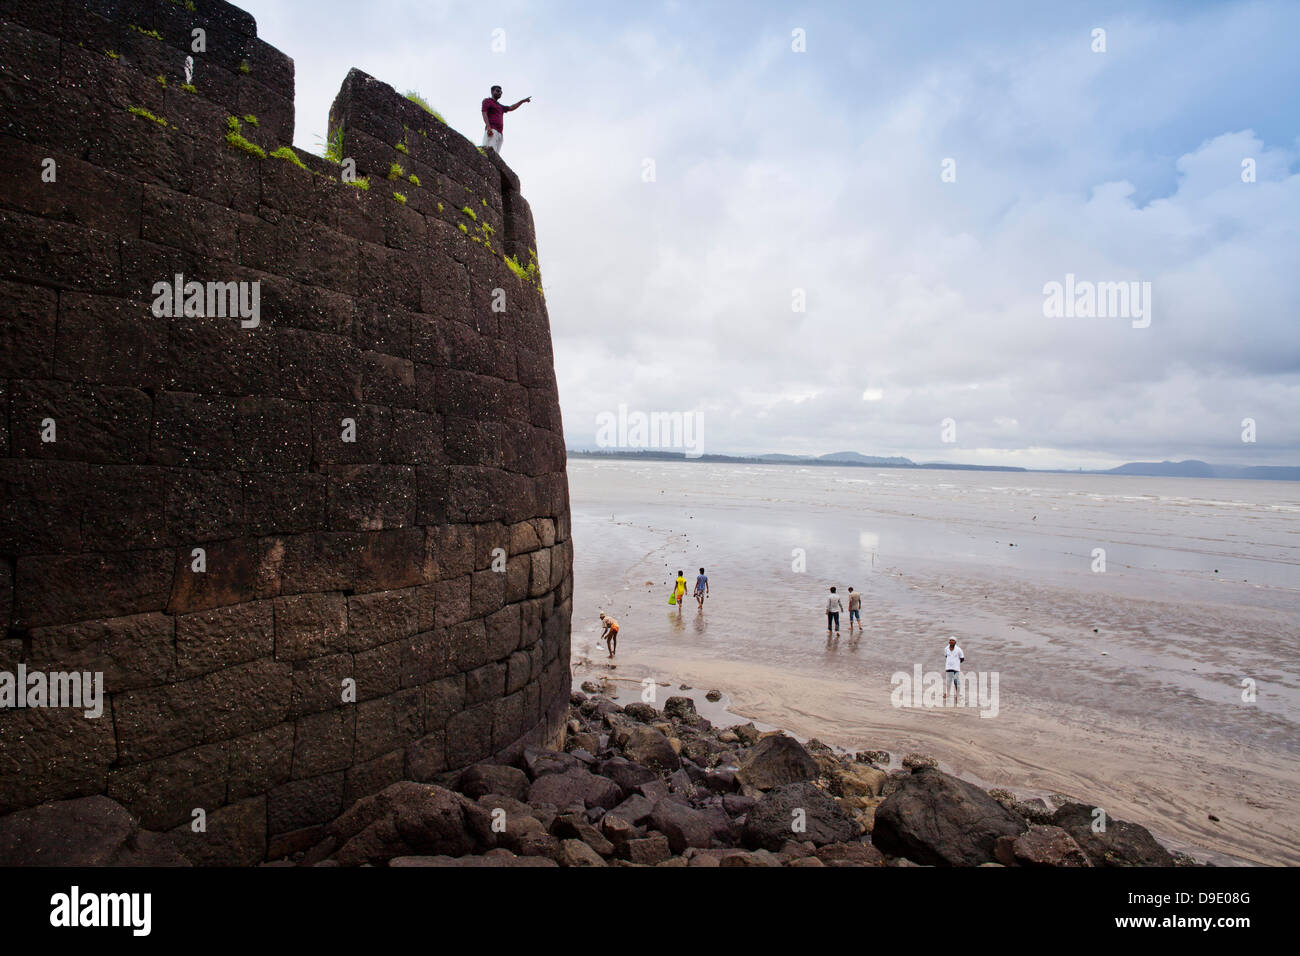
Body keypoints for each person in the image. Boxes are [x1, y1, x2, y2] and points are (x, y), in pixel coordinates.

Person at [481, 85, 531, 154]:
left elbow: (511, 107)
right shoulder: (487, 101)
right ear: (492, 92)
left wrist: (522, 101)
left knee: (495, 155)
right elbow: (484, 113)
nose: (500, 93)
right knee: (487, 151)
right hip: (492, 130)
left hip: (500, 134)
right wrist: (489, 127)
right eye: (498, 91)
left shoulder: (500, 106)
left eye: (501, 92)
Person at [943, 637, 965, 704]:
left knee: (956, 681)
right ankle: (948, 694)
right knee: (948, 681)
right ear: (949, 641)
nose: (951, 641)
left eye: (953, 640)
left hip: (956, 668)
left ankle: (957, 695)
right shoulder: (946, 649)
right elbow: (946, 656)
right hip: (948, 667)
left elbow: (962, 658)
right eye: (950, 640)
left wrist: (956, 662)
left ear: (955, 642)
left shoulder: (959, 649)